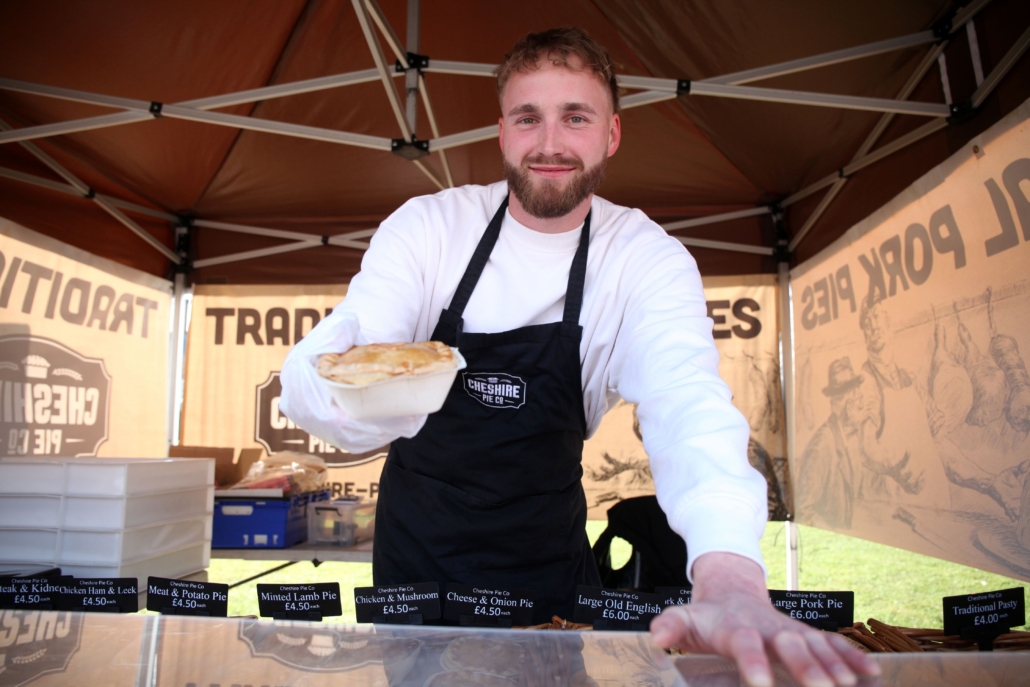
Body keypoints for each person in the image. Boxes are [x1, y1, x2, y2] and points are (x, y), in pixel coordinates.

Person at [280, 27, 877, 687]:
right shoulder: (430, 229)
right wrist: (337, 391)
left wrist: (729, 570)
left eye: (576, 117)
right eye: (528, 118)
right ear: (502, 132)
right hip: (418, 570)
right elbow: (354, 347)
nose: (550, 143)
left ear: (611, 133)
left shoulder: (641, 258)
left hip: (548, 572)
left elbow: (688, 406)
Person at [797, 357, 866, 530]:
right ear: (849, 406)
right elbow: (803, 511)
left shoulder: (841, 439)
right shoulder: (822, 446)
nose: (863, 407)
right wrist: (833, 536)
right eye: (859, 403)